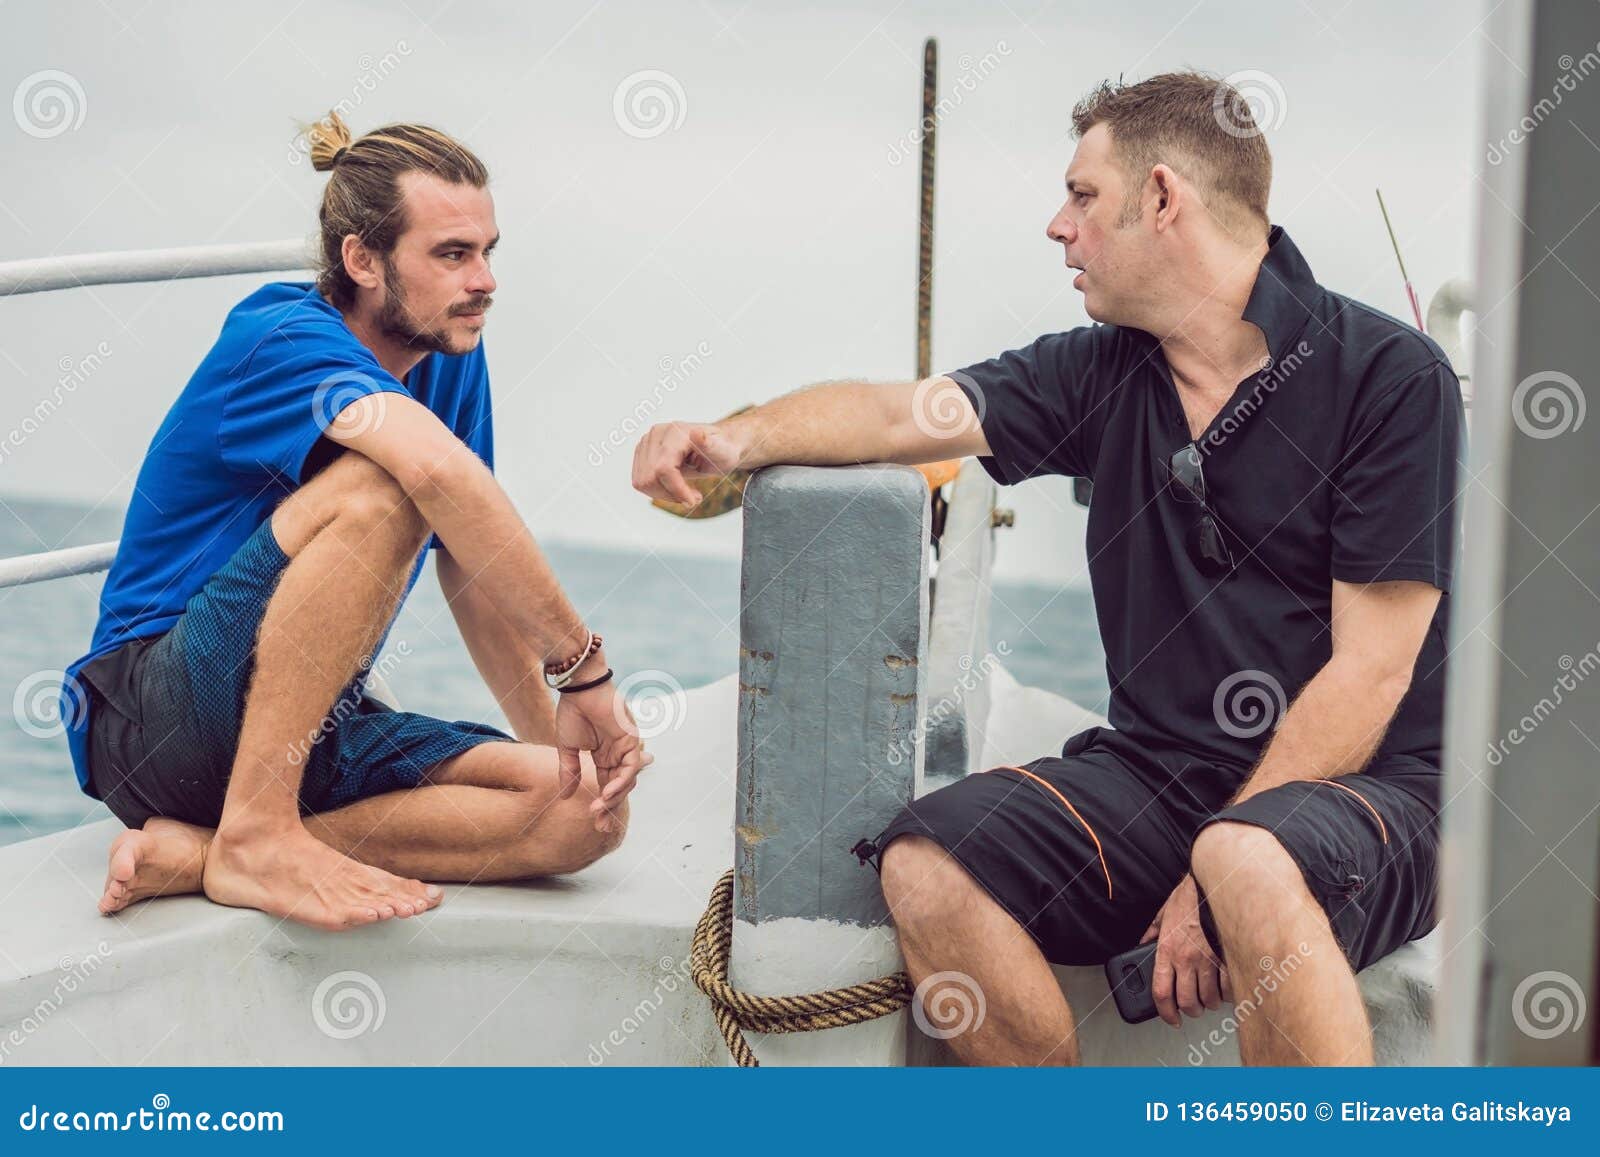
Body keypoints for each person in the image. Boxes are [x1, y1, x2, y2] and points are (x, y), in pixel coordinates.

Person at [633, 72, 1464, 1065]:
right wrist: (731, 438)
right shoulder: (1100, 373)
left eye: (1080, 196)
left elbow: (1371, 671)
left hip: (1375, 790)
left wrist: (1212, 870)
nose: (1056, 227)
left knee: (1243, 855)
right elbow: (902, 415)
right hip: (1161, 771)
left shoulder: (1388, 377)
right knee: (928, 864)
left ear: (1162, 198)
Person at [63, 111, 646, 932]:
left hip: (303, 720)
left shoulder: (448, 356)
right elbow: (435, 475)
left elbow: (466, 561)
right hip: (150, 713)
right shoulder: (280, 338)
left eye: (487, 251)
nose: (484, 280)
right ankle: (257, 833)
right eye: (452, 254)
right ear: (363, 259)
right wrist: (584, 672)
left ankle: (209, 851)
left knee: (584, 813)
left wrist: (561, 741)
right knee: (390, 477)